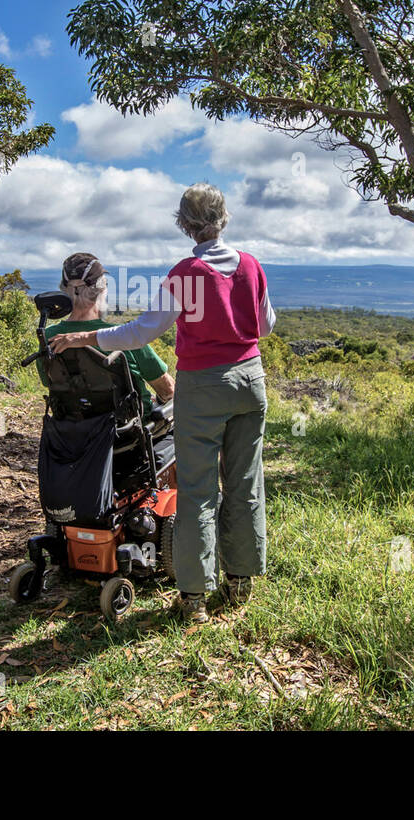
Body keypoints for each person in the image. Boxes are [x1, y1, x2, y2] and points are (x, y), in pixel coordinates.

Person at [50, 184, 274, 622]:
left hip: (204, 385)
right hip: (250, 380)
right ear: (222, 218)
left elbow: (139, 333)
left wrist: (84, 336)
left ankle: (193, 598)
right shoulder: (251, 265)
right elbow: (265, 326)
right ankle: (240, 582)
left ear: (185, 225)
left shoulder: (187, 274)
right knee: (246, 482)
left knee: (197, 489)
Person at [40, 252, 174, 415]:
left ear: (63, 289)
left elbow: (50, 382)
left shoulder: (48, 337)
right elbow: (168, 391)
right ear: (102, 289)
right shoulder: (124, 336)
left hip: (72, 428)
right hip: (128, 433)